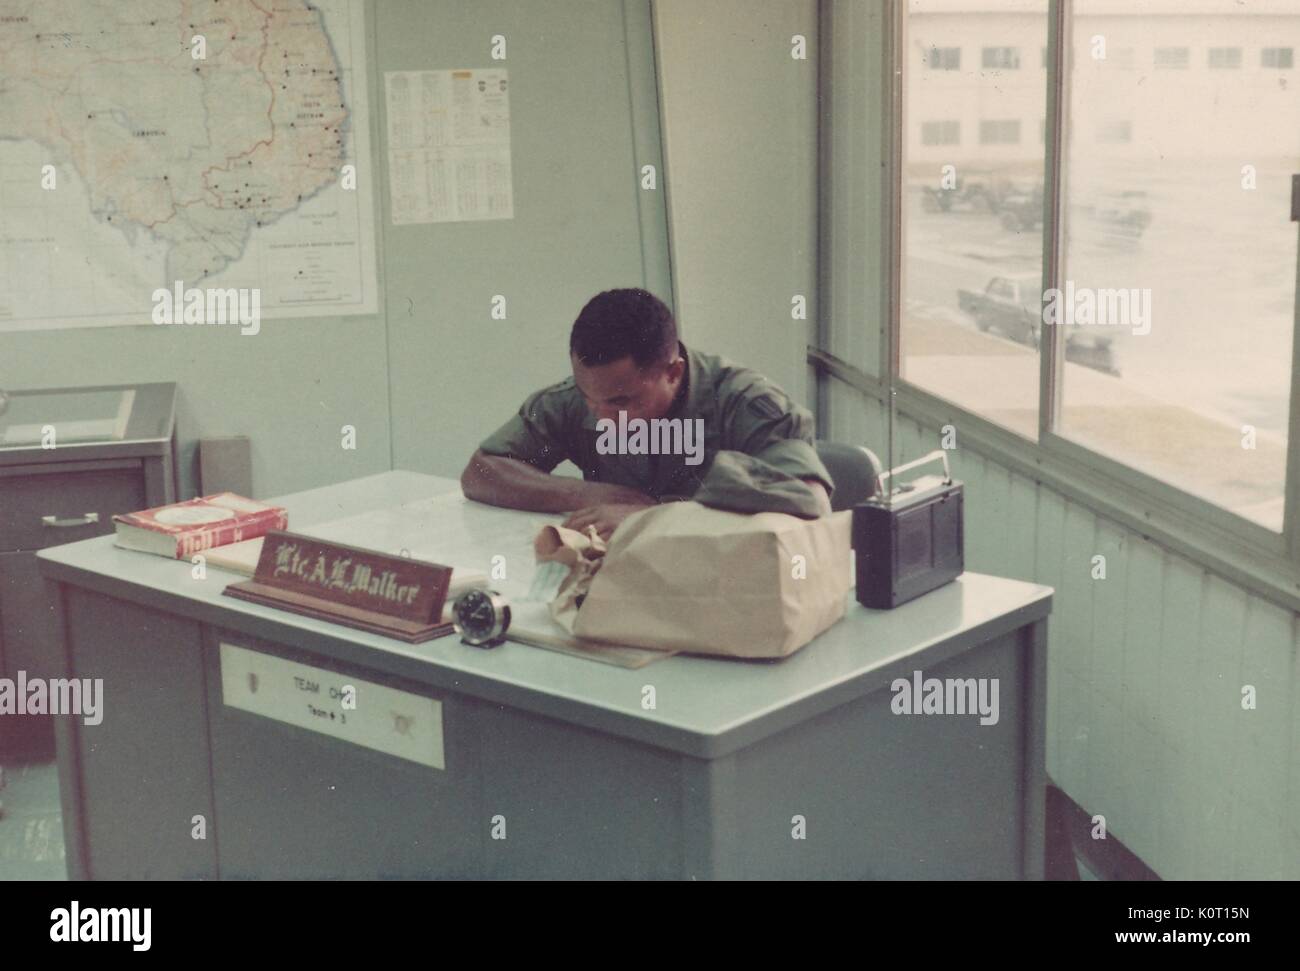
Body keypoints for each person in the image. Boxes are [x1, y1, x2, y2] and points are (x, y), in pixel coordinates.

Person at [461, 287, 834, 539]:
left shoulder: (745, 404)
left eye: (622, 403)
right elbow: (481, 472)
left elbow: (811, 504)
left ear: (672, 373)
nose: (603, 418)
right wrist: (592, 495)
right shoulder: (592, 395)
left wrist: (657, 517)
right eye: (590, 398)